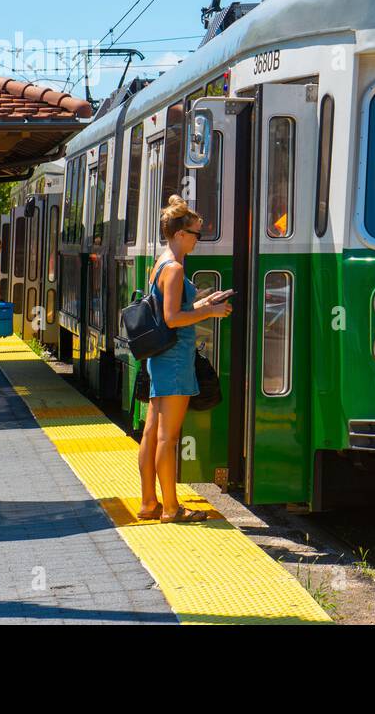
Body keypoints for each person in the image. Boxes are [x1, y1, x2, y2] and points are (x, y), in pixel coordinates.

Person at [138, 196, 232, 524]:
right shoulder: (176, 268)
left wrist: (205, 300)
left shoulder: (161, 263)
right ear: (179, 234)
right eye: (195, 234)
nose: (197, 240)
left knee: (151, 434)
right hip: (176, 360)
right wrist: (212, 311)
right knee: (168, 437)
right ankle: (171, 508)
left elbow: (174, 309)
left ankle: (149, 502)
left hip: (159, 359)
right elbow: (173, 318)